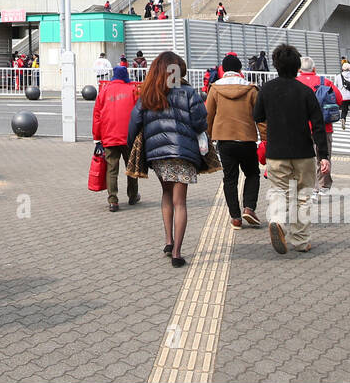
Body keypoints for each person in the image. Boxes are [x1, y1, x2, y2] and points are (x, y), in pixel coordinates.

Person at [126, 51, 207, 268]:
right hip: (183, 153)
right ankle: (178, 253)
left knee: (166, 194)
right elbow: (200, 123)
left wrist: (131, 143)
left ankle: (168, 241)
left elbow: (134, 121)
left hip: (157, 154)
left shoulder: (148, 94)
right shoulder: (189, 92)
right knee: (180, 201)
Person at [253, 43, 329, 254]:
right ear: (297, 67)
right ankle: (301, 241)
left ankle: (277, 220)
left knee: (278, 190)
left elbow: (257, 116)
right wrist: (324, 155)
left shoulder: (267, 89)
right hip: (303, 152)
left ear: (276, 66)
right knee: (303, 195)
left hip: (276, 151)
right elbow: (319, 125)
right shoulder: (305, 91)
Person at [206, 53, 261, 228]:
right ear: (240, 70)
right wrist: (265, 138)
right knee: (252, 174)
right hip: (247, 139)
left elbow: (208, 115)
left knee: (230, 178)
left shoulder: (215, 89)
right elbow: (260, 117)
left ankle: (235, 217)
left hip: (225, 140)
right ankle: (249, 208)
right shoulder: (251, 89)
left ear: (223, 70)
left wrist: (207, 136)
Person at [92, 65, 141, 212]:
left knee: (111, 169)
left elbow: (97, 116)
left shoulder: (104, 91)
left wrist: (97, 138)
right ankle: (133, 196)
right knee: (130, 167)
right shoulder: (132, 90)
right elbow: (138, 114)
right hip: (128, 137)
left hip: (109, 136)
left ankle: (113, 200)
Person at [296, 57, 341, 197]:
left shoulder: (295, 83)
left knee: (305, 159)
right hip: (324, 126)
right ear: (314, 69)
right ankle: (324, 186)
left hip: (301, 128)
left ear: (299, 70)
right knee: (323, 157)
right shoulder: (325, 82)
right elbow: (339, 99)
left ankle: (310, 188)